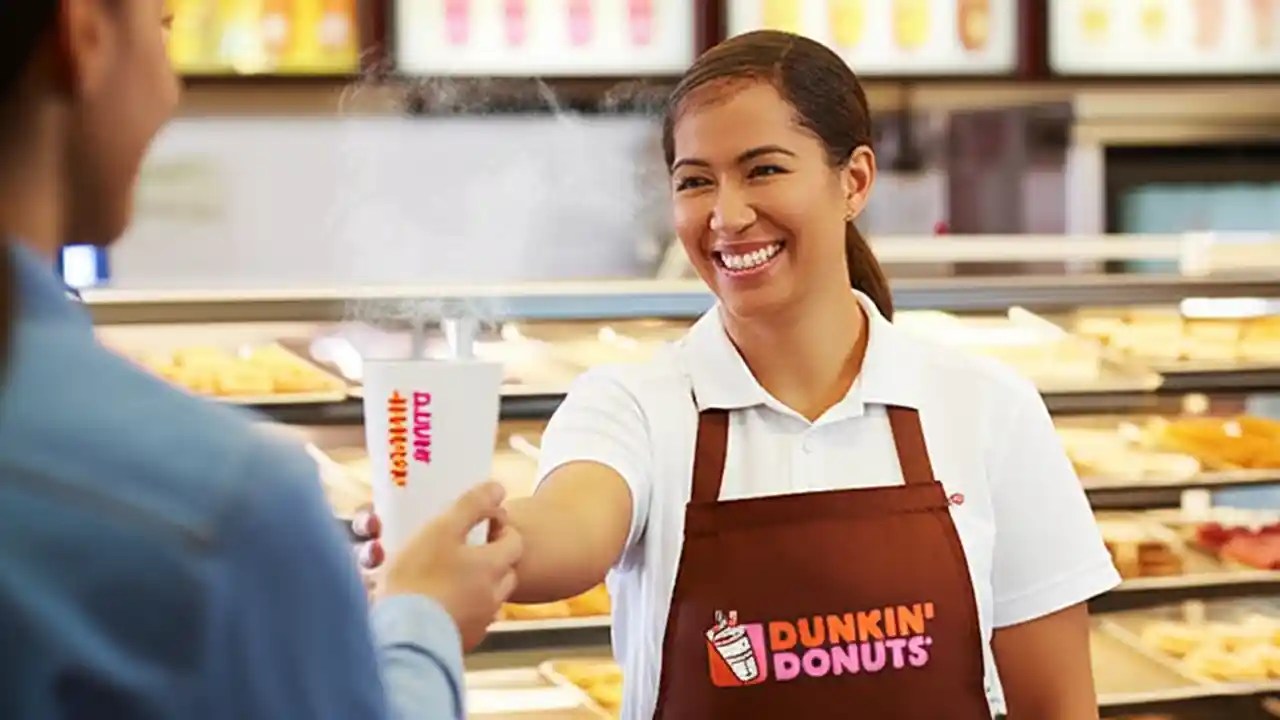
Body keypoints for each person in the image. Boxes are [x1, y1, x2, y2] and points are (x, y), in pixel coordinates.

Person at [358, 30, 1122, 719]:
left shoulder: (986, 408)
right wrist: (463, 540)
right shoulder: (633, 405)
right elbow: (575, 527)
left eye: (763, 170)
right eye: (695, 181)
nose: (726, 214)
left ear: (854, 181)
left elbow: (1055, 703)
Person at [0, 2, 520, 718]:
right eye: (165, 23)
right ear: (83, 34)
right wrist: (423, 617)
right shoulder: (222, 507)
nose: (171, 89)